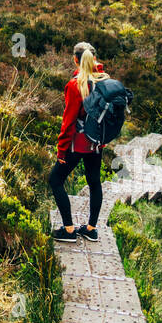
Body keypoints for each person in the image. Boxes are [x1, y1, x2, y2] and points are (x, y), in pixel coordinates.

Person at [50, 41, 107, 243]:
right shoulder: (105, 81)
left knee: (55, 180)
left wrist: (61, 151)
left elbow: (68, 122)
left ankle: (68, 230)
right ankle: (91, 228)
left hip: (77, 144)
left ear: (75, 60)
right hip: (97, 143)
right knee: (94, 182)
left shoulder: (75, 86)